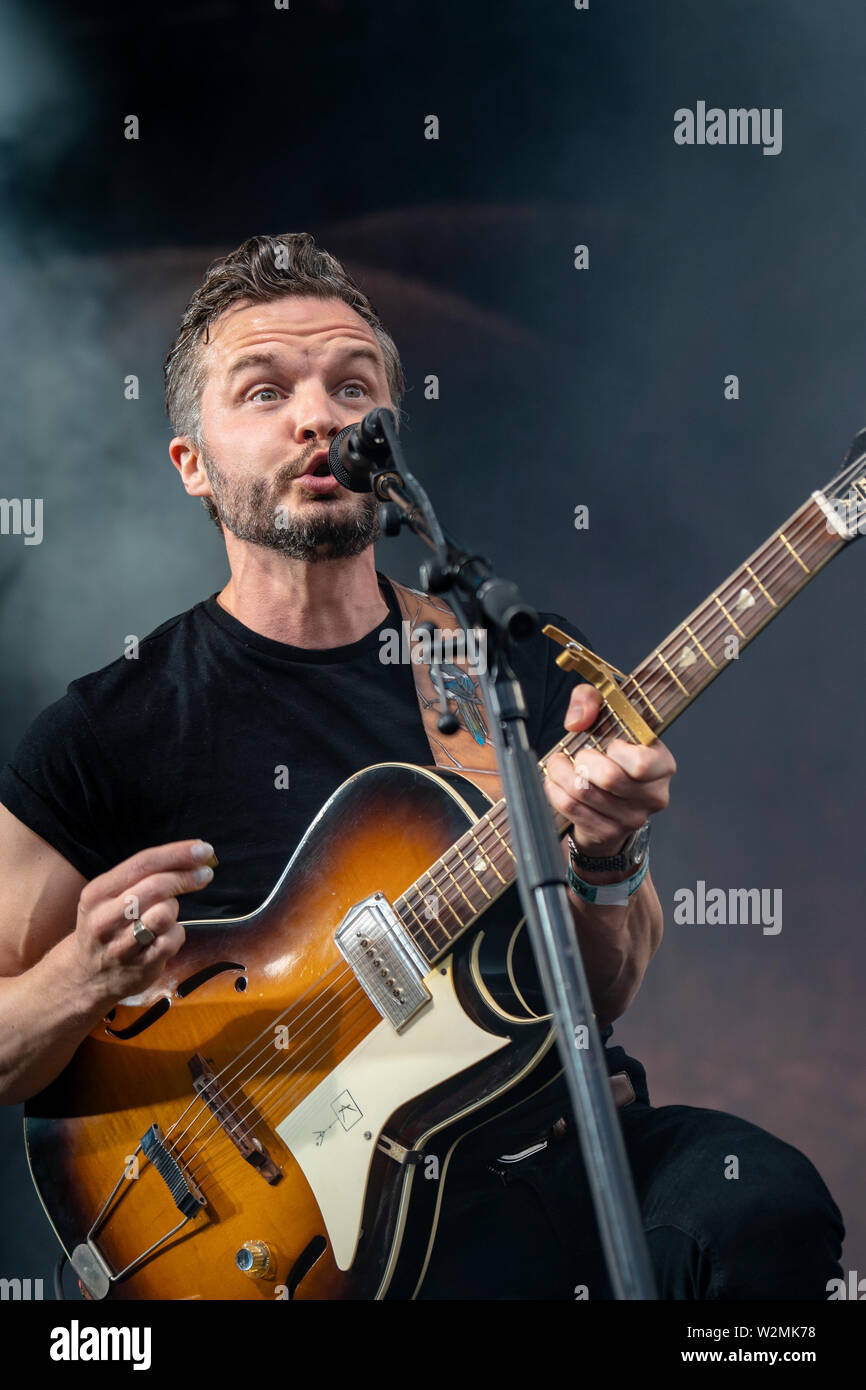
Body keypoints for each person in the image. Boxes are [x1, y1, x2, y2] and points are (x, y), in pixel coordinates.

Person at [0, 233, 843, 1300]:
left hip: (551, 1154)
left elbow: (604, 989)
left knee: (759, 1207)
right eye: (265, 391)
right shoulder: (105, 729)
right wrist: (82, 977)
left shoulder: (497, 663)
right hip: (331, 1236)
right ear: (192, 466)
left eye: (353, 387)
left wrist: (606, 854)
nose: (320, 415)